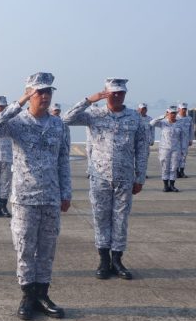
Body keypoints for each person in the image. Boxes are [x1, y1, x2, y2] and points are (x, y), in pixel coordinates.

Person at [0, 73, 71, 320]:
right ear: (29, 94)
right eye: (39, 92)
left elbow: (63, 161)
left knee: (47, 248)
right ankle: (27, 295)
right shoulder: (17, 122)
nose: (44, 96)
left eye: (48, 92)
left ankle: (42, 294)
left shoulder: (58, 125)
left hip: (51, 197)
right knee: (24, 248)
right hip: (24, 198)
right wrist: (19, 102)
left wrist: (66, 193)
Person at [62, 78, 149, 280]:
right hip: (99, 177)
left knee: (120, 220)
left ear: (125, 94)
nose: (117, 96)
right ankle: (103, 259)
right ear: (106, 93)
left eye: (121, 93)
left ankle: (117, 260)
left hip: (125, 178)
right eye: (113, 92)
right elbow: (66, 119)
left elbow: (142, 150)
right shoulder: (94, 115)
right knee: (101, 218)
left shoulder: (135, 118)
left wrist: (140, 177)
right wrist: (88, 100)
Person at [150, 106, 187, 192]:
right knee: (165, 167)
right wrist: (163, 116)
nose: (173, 115)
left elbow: (183, 138)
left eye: (174, 113)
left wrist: (183, 150)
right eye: (171, 113)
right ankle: (166, 186)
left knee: (174, 167)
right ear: (168, 113)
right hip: (164, 149)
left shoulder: (180, 123)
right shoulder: (163, 123)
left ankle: (172, 185)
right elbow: (151, 123)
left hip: (176, 149)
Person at [176, 103, 194, 178]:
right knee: (176, 156)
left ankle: (182, 171)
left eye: (185, 109)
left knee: (183, 156)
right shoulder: (175, 118)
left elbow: (191, 130)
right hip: (176, 141)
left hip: (185, 140)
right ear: (178, 109)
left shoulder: (189, 119)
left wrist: (190, 139)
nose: (184, 110)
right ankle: (176, 171)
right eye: (182, 109)